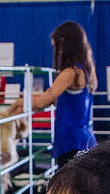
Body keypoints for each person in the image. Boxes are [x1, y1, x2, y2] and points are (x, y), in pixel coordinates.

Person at [12, 21, 97, 168]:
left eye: (57, 46)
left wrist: (16, 104)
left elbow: (43, 101)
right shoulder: (85, 70)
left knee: (68, 186)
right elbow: (58, 100)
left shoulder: (71, 73)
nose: (58, 52)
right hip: (81, 139)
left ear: (65, 44)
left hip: (72, 142)